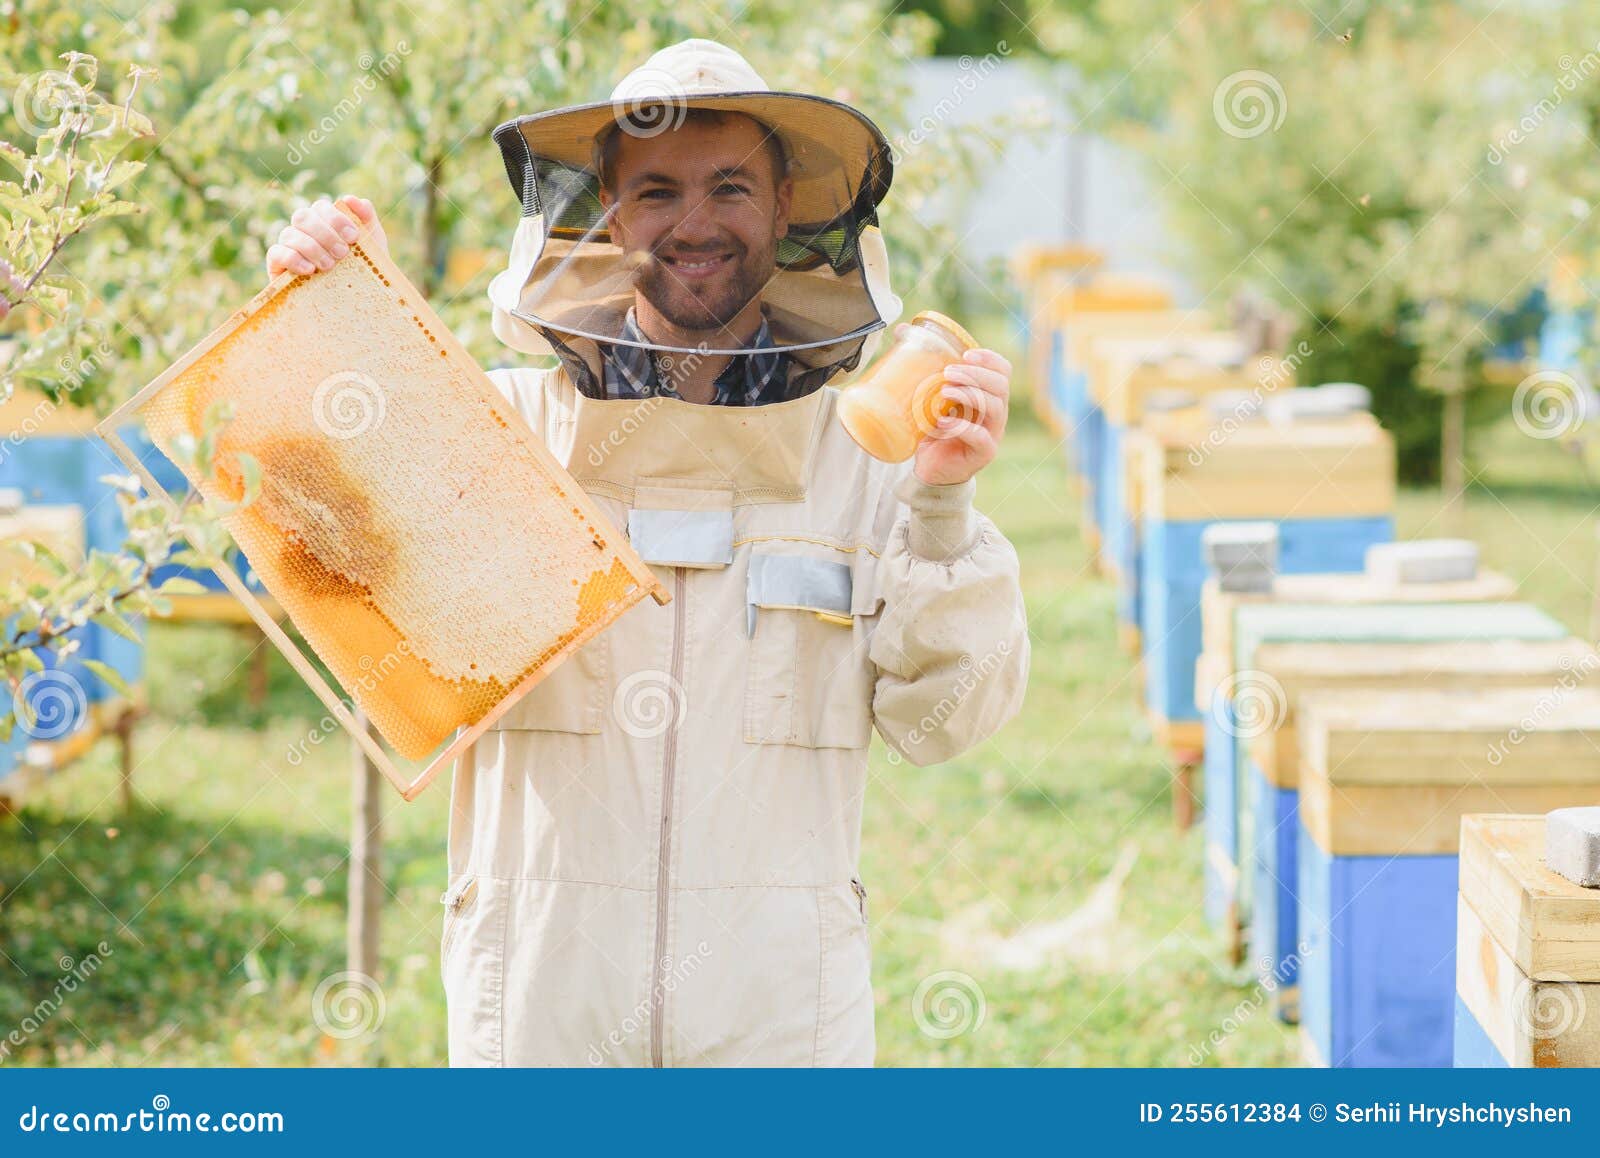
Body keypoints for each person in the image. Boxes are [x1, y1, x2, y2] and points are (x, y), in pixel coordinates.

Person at [267, 37, 1028, 1067]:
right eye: (657, 191)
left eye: (730, 187)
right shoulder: (500, 429)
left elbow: (944, 721)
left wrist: (942, 504)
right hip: (540, 1004)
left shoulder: (867, 455)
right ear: (609, 212)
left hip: (779, 1019)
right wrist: (335, 321)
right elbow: (346, 577)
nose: (696, 223)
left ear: (787, 204)